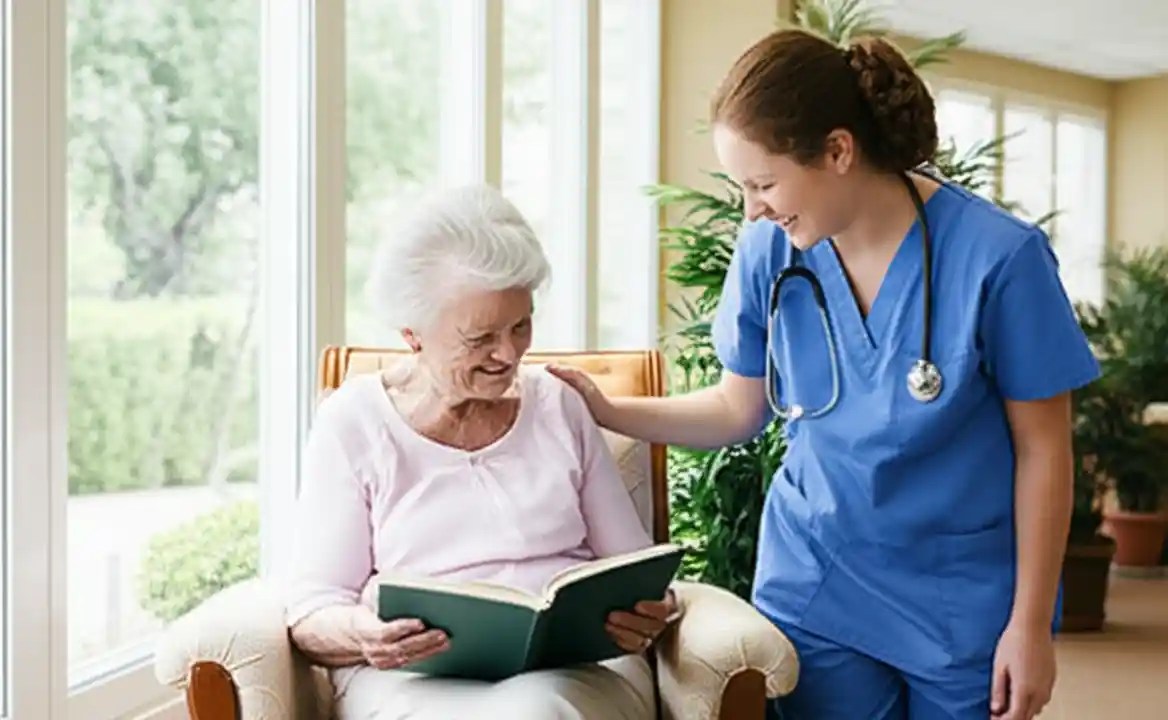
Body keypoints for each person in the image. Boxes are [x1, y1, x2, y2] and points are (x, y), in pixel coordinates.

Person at [549, 29, 1099, 720]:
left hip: (959, 596)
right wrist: (608, 409)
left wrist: (1029, 624)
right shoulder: (768, 251)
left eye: (763, 183)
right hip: (818, 582)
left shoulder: (1000, 257)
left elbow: (1044, 450)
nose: (752, 208)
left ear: (839, 151)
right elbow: (736, 409)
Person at [284, 185, 678, 720]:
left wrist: (650, 611)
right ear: (412, 334)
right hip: (411, 678)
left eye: (521, 325)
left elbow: (636, 571)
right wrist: (362, 634)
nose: (508, 353)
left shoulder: (560, 405)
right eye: (480, 337)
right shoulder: (353, 422)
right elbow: (313, 609)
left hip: (570, 673)